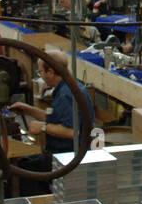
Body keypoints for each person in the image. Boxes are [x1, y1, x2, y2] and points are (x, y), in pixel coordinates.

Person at [9, 50, 94, 191]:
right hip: (62, 152)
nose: (40, 75)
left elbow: (71, 131)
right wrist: (29, 110)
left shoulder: (66, 94)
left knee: (21, 170)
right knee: (26, 162)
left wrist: (42, 127)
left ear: (51, 72)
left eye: (41, 72)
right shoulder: (66, 88)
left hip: (67, 157)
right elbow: (55, 118)